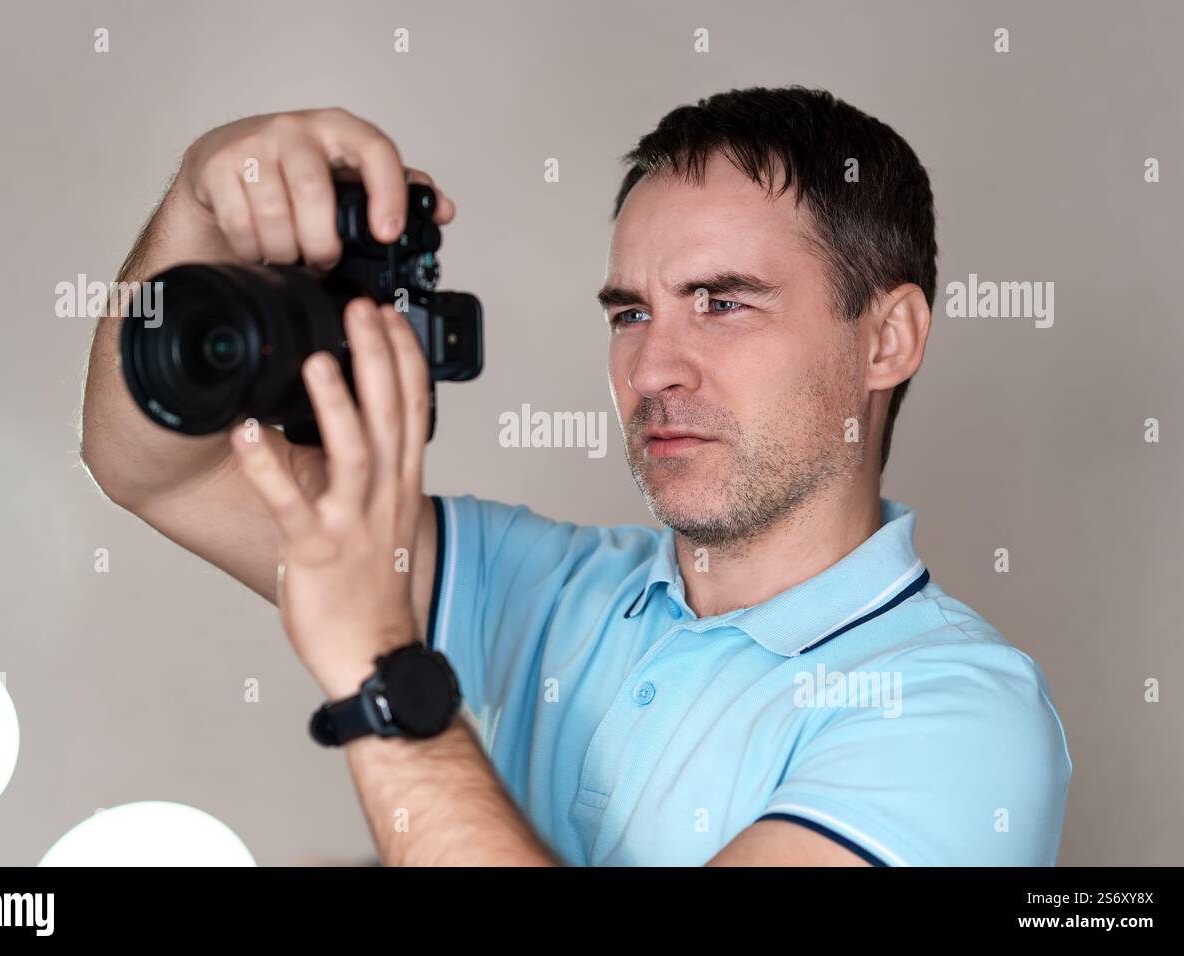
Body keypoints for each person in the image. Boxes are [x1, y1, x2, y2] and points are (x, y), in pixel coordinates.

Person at [79, 87, 1072, 866]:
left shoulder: (960, 713)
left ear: (887, 338)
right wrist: (197, 199)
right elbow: (155, 465)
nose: (651, 369)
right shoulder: (548, 588)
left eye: (721, 303)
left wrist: (384, 677)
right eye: (629, 312)